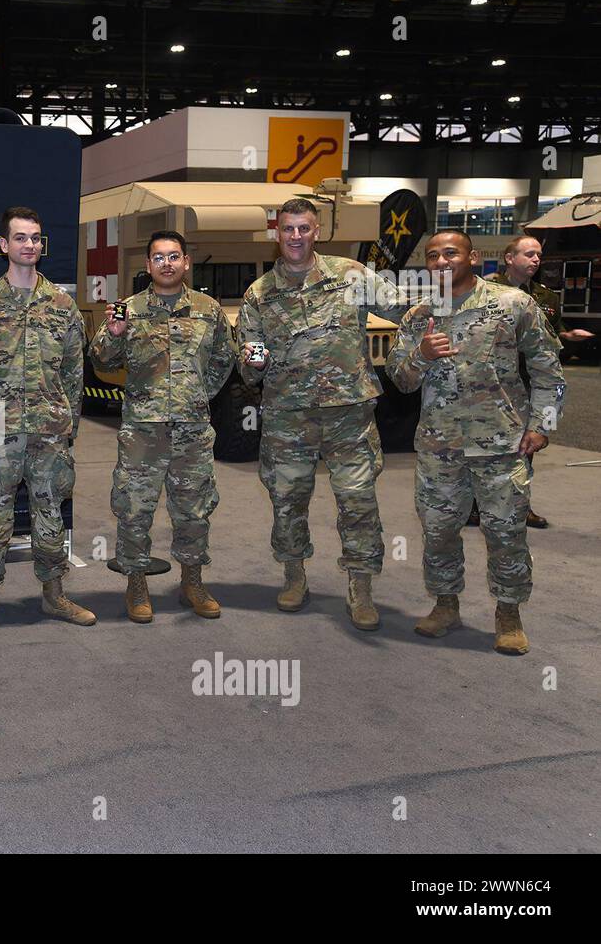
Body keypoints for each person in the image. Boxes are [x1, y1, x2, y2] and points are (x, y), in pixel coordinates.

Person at [385, 229, 565, 654]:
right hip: (438, 446)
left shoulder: (512, 304)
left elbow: (548, 368)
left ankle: (509, 613)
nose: (442, 261)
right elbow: (400, 380)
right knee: (439, 530)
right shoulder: (419, 316)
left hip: (501, 444)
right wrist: (421, 355)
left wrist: (542, 425)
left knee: (505, 533)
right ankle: (446, 605)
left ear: (472, 256)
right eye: (433, 255)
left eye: (451, 252)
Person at [237, 198, 410, 629]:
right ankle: (294, 575)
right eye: (288, 228)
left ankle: (360, 586)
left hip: (348, 414)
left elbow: (405, 311)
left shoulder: (351, 275)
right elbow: (250, 357)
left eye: (304, 228)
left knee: (358, 500)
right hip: (287, 417)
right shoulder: (259, 294)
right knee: (288, 500)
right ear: (277, 232)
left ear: (317, 232)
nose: (296, 236)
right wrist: (254, 364)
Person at [0, 206, 94, 636]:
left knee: (50, 514)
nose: (30, 245)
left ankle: (55, 595)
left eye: (36, 238)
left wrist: (69, 427)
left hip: (50, 431)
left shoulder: (62, 303)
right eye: (21, 238)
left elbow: (73, 373)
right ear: (4, 245)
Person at [89, 230, 236, 621]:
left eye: (174, 256)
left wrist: (198, 394)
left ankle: (193, 582)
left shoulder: (209, 309)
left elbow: (224, 359)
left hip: (192, 429)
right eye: (158, 257)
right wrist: (114, 336)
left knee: (194, 509)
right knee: (135, 509)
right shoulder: (127, 309)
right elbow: (101, 362)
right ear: (148, 265)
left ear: (186, 262)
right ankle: (136, 584)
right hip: (143, 430)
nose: (166, 263)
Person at [478, 234, 594, 529]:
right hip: (493, 384)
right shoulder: (485, 293)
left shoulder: (546, 297)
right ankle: (476, 505)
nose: (536, 260)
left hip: (532, 383)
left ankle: (520, 505)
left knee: (527, 444)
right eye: (529, 254)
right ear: (509, 258)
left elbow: (552, 333)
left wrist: (568, 335)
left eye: (538, 255)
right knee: (482, 443)